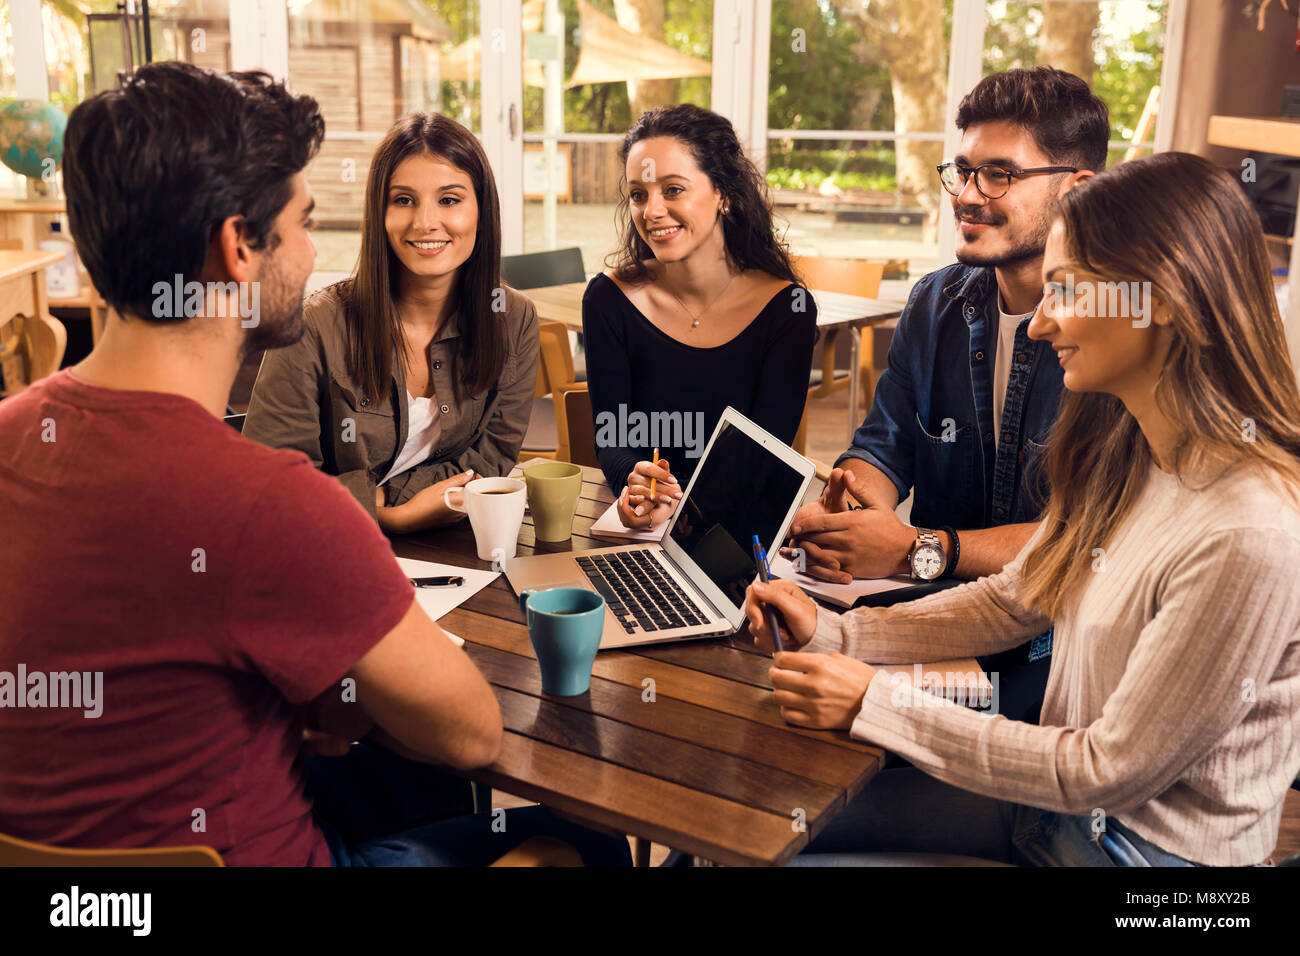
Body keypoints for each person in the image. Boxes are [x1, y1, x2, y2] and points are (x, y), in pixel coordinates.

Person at [0, 61, 626, 867]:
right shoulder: (275, 506)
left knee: (407, 780)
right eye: (302, 221)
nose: (312, 247)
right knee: (585, 842)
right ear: (239, 248)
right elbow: (472, 734)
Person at [746, 151, 1300, 867]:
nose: (1038, 325)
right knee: (769, 834)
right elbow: (1015, 599)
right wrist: (834, 633)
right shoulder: (1132, 453)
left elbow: (1108, 770)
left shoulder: (1248, 530)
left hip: (1145, 860)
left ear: (1160, 297)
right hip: (1049, 810)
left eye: (1065, 290)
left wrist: (872, 705)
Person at [786, 67, 1111, 724]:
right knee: (777, 652)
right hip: (929, 602)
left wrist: (914, 547)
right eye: (960, 172)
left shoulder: (1114, 336)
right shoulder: (936, 300)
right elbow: (886, 442)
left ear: (1078, 190)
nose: (967, 194)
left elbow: (1089, 541)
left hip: (1054, 641)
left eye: (998, 174)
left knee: (854, 713)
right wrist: (851, 519)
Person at [244, 112, 540, 534]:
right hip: (321, 545)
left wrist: (398, 505)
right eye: (403, 200)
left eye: (449, 200)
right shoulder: (311, 327)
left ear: (482, 210)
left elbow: (492, 457)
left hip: (451, 544)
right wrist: (390, 515)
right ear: (379, 213)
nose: (424, 222)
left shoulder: (514, 319)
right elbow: (273, 487)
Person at [583, 103, 817, 531]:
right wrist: (633, 482)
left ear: (724, 193)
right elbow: (612, 436)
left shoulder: (787, 309)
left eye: (673, 190)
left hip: (735, 534)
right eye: (638, 194)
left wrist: (680, 508)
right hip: (642, 527)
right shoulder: (608, 299)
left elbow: (761, 457)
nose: (650, 211)